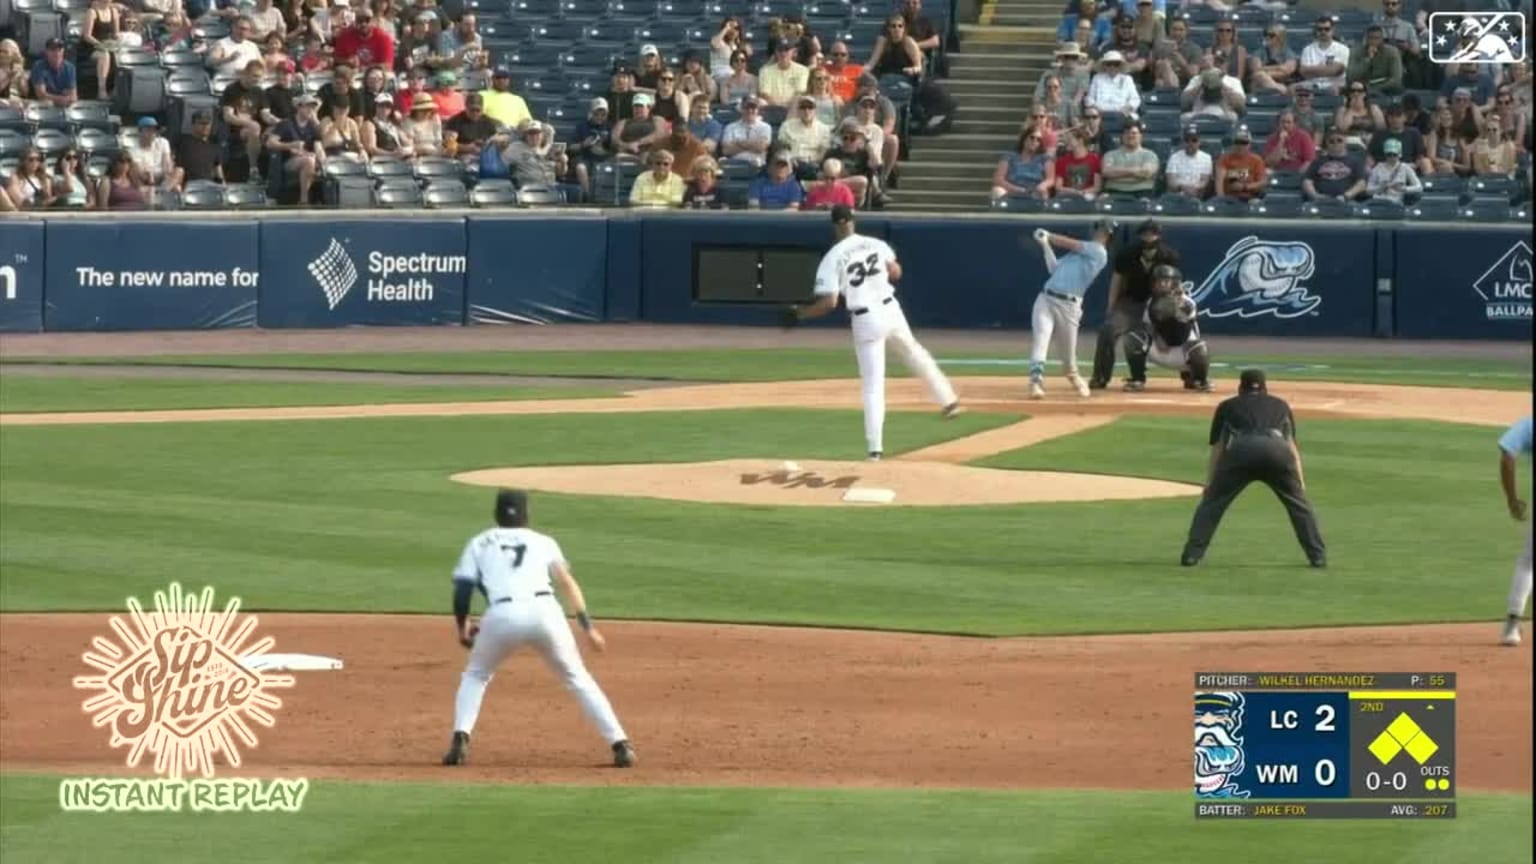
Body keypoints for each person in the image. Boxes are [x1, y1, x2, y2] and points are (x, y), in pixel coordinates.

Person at [440, 489, 635, 769]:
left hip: (501, 614)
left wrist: (462, 627)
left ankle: (460, 739)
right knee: (578, 677)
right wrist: (587, 627)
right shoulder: (543, 541)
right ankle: (620, 744)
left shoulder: (479, 543)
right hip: (546, 613)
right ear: (527, 514)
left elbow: (462, 591)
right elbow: (567, 583)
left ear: (496, 514)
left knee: (476, 674)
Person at [783, 205, 962, 460]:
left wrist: (800, 313)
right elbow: (896, 271)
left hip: (866, 318)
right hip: (891, 309)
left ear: (834, 225)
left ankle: (875, 450)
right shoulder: (875, 243)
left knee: (873, 384)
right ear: (854, 221)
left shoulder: (832, 257)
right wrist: (885, 272)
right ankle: (948, 400)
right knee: (915, 354)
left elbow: (829, 303)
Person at [1180, 369, 1327, 568]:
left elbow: (1219, 446)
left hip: (1243, 450)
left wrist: (1210, 482)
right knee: (1299, 505)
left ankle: (1192, 555)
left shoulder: (1227, 405)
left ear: (1240, 387)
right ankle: (1317, 556)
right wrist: (1299, 481)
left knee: (1213, 504)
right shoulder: (1281, 405)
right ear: (1265, 388)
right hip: (1277, 450)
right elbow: (1291, 445)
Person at [1025, 221, 1114, 400]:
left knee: (1067, 355)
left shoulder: (1099, 252)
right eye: (1099, 230)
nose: (1100, 233)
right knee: (1041, 338)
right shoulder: (1075, 255)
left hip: (1070, 306)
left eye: (1105, 232)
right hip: (1046, 298)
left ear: (1109, 237)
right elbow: (1053, 269)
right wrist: (1045, 245)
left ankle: (1073, 376)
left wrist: (1048, 235)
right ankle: (1036, 381)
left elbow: (1068, 243)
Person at [1089, 218, 1180, 390]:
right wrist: (1112, 305)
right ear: (1139, 236)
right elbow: (1117, 279)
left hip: (1160, 302)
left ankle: (1190, 373)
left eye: (1152, 234)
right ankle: (1101, 376)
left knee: (1178, 327)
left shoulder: (1169, 255)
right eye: (1145, 234)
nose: (1148, 238)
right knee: (1108, 330)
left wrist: (1174, 304)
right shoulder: (1128, 254)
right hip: (1131, 302)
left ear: (1158, 236)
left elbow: (1176, 282)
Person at [1121, 264, 1212, 392]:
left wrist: (1177, 305)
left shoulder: (1187, 302)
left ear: (1175, 283)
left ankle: (1198, 380)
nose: (1162, 284)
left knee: (1200, 348)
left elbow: (1186, 321)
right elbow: (1148, 326)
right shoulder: (1150, 302)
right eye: (1159, 281)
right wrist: (1158, 339)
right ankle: (1138, 379)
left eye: (1166, 281)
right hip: (1160, 350)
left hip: (1182, 352)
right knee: (1133, 339)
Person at [1496, 416, 1532, 647]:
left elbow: (1508, 455)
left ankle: (1512, 623)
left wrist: (1511, 500)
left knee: (1528, 563)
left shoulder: (1530, 425)